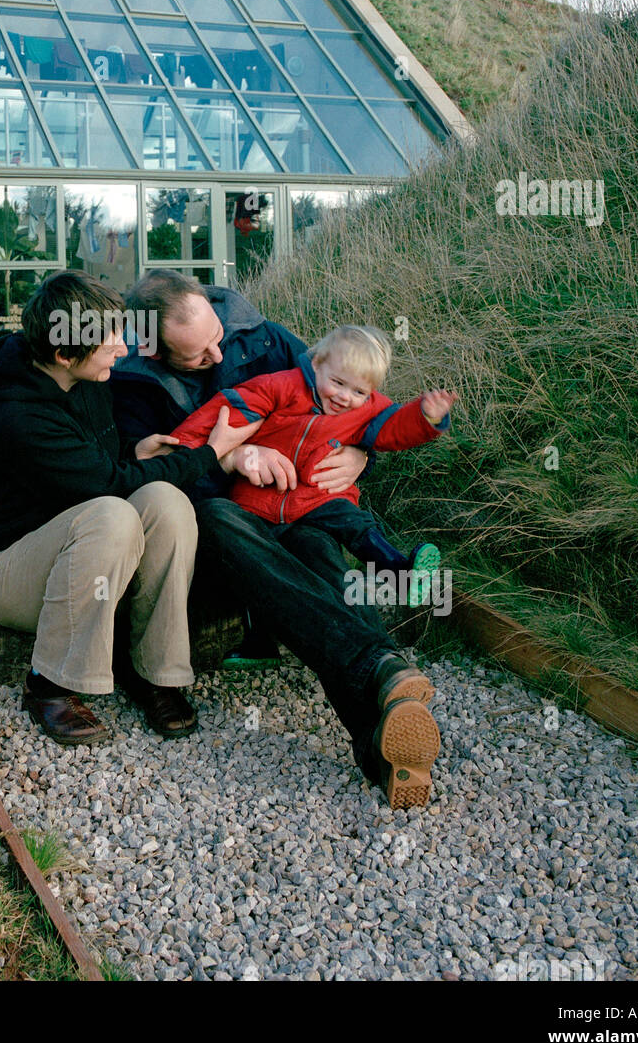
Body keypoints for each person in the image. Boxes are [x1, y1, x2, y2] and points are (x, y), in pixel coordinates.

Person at [111, 270, 443, 808]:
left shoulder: (263, 336)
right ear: (150, 344)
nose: (218, 357)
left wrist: (362, 457)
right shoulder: (129, 386)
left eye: (217, 336)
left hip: (299, 512)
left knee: (319, 554)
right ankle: (380, 666)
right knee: (218, 517)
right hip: (219, 528)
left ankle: (383, 736)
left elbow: (352, 407)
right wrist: (233, 456)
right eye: (198, 356)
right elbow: (149, 483)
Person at [0, 270, 257, 746]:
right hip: (10, 575)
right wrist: (209, 453)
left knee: (165, 501)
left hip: (76, 551)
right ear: (64, 352)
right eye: (110, 342)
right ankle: (49, 685)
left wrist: (134, 450)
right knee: (113, 514)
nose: (123, 350)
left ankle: (154, 673)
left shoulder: (83, 375)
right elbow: (106, 486)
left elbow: (98, 462)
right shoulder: (19, 416)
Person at [166, 324, 457, 611]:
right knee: (253, 563)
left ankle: (398, 571)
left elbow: (393, 428)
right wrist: (179, 445)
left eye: (358, 391)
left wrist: (424, 418)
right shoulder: (282, 386)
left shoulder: (367, 409)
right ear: (317, 365)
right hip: (259, 496)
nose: (345, 397)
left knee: (355, 523)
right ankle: (257, 644)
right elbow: (228, 409)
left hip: (321, 496)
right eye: (338, 383)